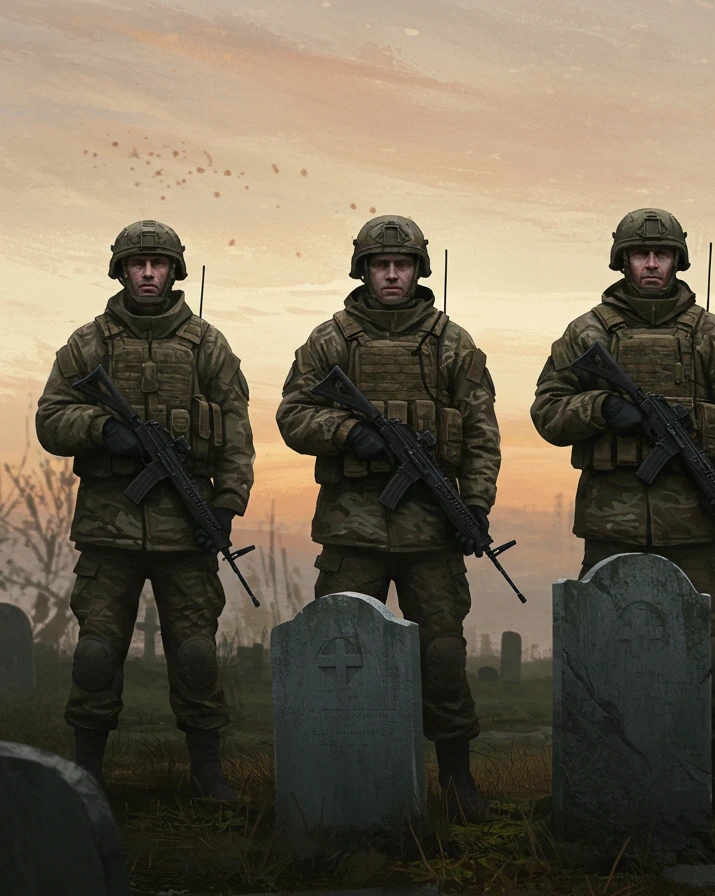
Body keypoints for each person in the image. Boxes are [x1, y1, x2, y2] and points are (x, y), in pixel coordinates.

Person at [530, 208, 715, 828]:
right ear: (623, 261)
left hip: (692, 525)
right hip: (610, 525)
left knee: (709, 651)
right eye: (642, 255)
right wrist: (605, 408)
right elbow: (548, 412)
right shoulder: (588, 334)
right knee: (599, 650)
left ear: (678, 260)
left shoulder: (711, 336)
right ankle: (597, 774)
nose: (653, 264)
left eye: (662, 254)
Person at [276, 214, 500, 823]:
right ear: (364, 270)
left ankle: (456, 778)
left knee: (445, 654)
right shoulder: (331, 340)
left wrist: (475, 505)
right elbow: (292, 415)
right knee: (340, 652)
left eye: (402, 264)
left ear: (419, 269)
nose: (392, 274)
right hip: (353, 528)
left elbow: (481, 434)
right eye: (381, 265)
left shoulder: (452, 343)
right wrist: (350, 432)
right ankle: (338, 775)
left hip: (431, 530)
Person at [35, 219, 254, 801]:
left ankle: (208, 774)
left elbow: (236, 432)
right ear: (122, 271)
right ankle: (87, 777)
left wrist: (227, 505)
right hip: (109, 528)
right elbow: (51, 418)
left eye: (159, 264)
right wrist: (104, 428)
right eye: (139, 264)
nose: (149, 273)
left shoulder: (207, 344)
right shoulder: (89, 344)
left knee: (197, 655)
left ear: (175, 270)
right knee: (95, 655)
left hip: (187, 531)